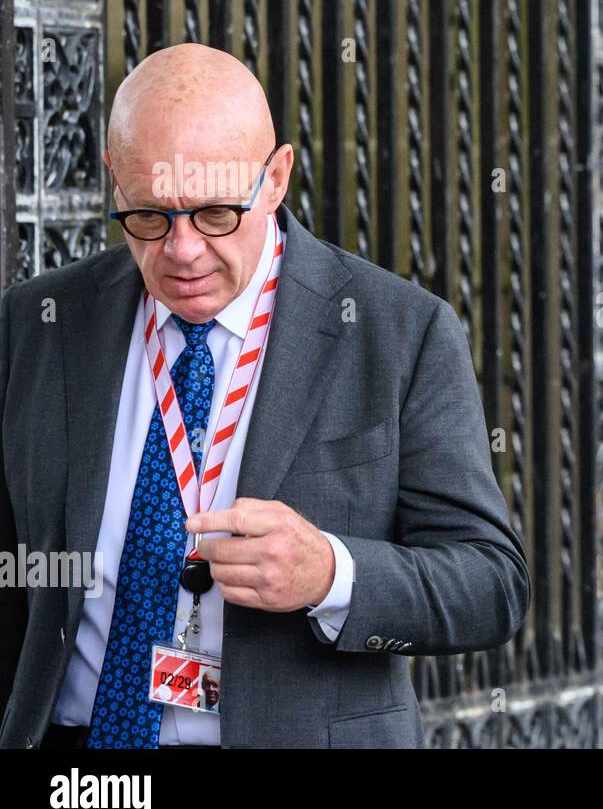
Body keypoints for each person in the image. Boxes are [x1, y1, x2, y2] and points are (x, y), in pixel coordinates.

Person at [0, 44, 529, 749]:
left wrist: (331, 574)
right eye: (150, 216)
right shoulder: (39, 322)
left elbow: (491, 585)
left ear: (275, 178)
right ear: (115, 183)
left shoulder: (400, 332)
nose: (183, 250)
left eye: (217, 213)